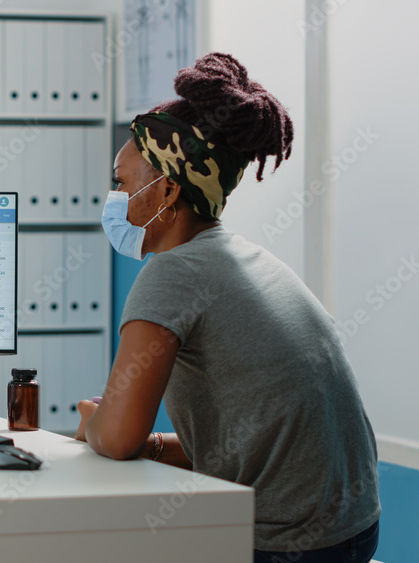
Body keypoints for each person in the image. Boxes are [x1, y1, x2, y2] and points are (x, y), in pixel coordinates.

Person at [76, 52, 380, 563]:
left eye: (122, 183)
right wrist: (152, 444)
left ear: (167, 190)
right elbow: (250, 436)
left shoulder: (172, 274)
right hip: (354, 531)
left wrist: (95, 422)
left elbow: (119, 437)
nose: (114, 198)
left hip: (284, 545)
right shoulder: (249, 262)